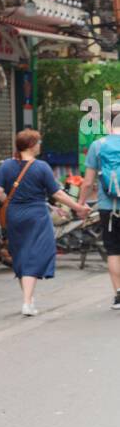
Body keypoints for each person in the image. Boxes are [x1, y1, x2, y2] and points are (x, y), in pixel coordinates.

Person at [0, 128, 88, 316]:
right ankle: (27, 303)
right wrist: (77, 207)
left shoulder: (6, 165)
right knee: (37, 254)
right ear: (31, 145)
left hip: (15, 215)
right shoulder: (41, 167)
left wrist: (10, 203)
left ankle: (28, 298)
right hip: (36, 216)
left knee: (20, 254)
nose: (39, 146)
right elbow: (57, 193)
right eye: (38, 143)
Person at [77, 111, 120, 310]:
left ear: (106, 122)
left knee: (113, 251)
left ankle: (118, 295)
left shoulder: (98, 146)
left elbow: (87, 182)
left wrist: (81, 204)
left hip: (108, 207)